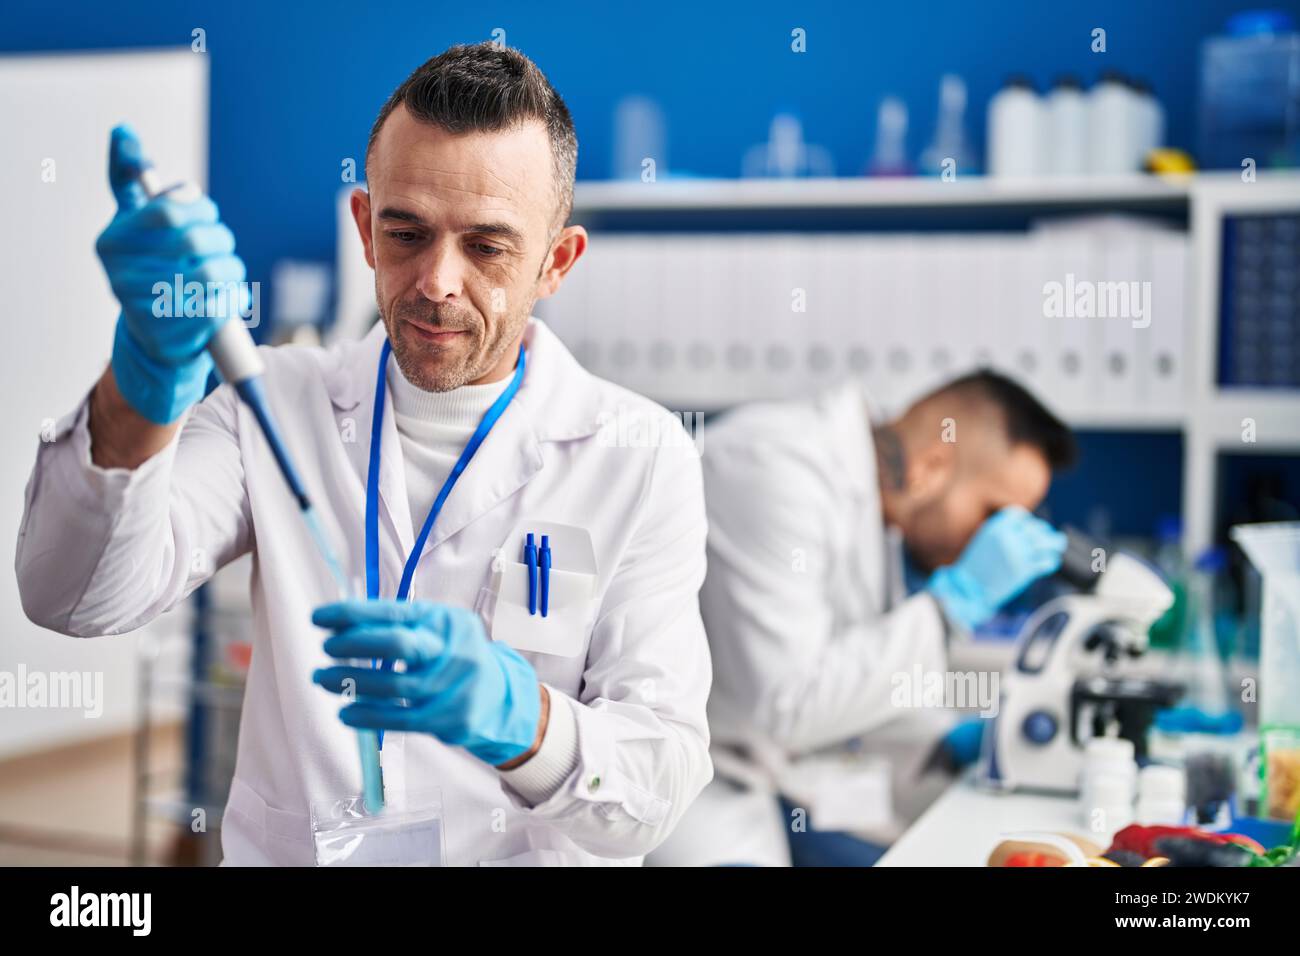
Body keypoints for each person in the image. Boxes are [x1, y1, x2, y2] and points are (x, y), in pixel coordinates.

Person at [16, 43, 712, 866]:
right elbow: (72, 596)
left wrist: (521, 719)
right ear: (364, 229)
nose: (436, 281)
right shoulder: (268, 403)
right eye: (407, 232)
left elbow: (659, 784)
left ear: (556, 262)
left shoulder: (639, 455)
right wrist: (145, 375)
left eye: (487, 246)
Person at [649, 371, 1076, 866]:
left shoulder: (885, 515)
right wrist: (949, 607)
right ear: (933, 466)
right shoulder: (774, 467)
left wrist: (947, 740)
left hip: (776, 777)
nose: (989, 540)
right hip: (690, 782)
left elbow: (852, 672)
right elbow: (785, 703)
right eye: (992, 514)